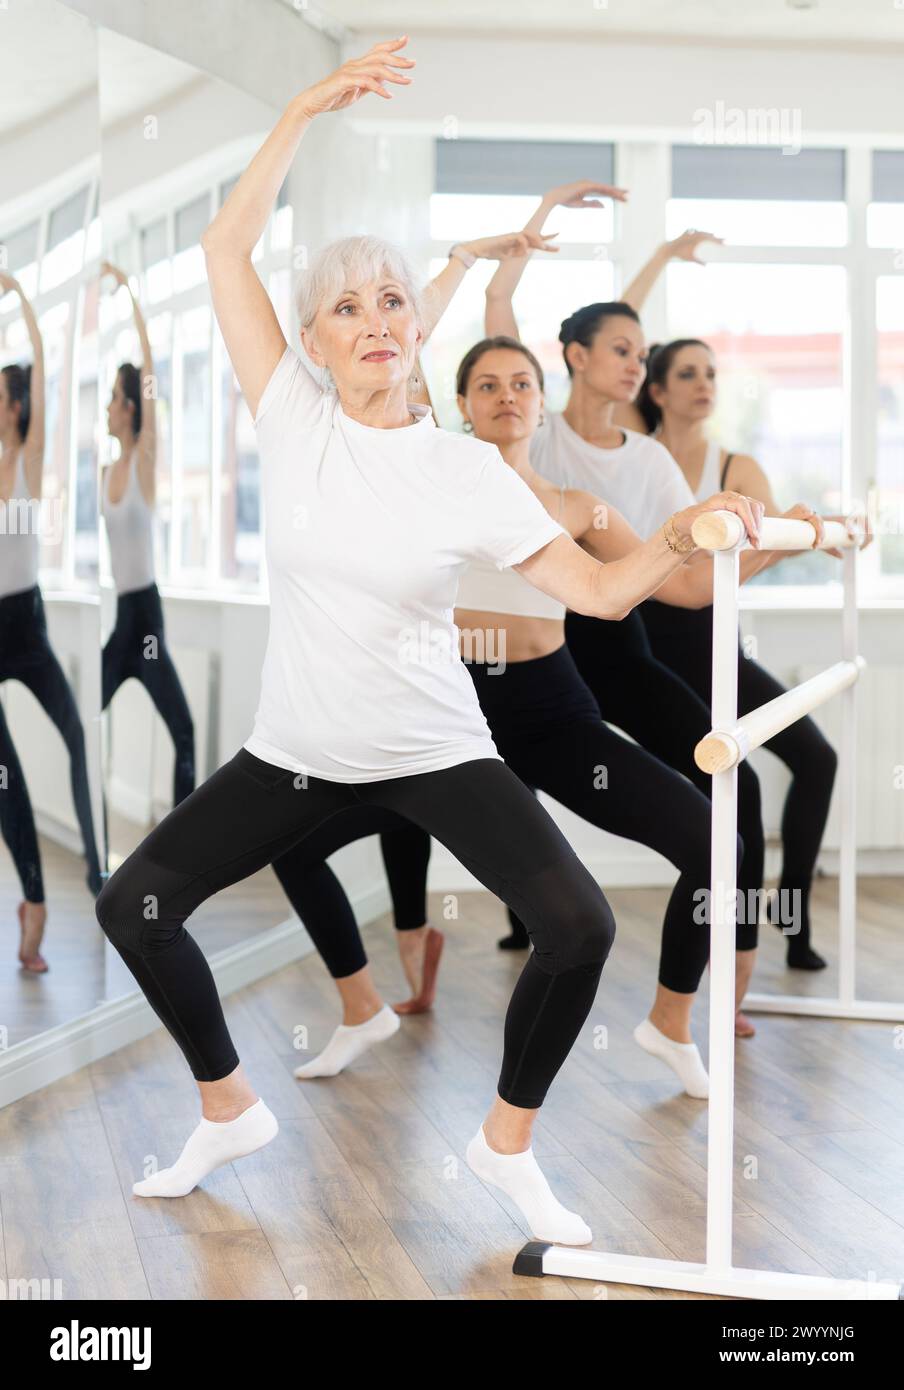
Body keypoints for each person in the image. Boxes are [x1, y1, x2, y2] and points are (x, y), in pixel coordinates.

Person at [94, 39, 762, 1245]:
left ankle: (504, 1142)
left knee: (578, 923)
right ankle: (227, 1103)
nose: (373, 321)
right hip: (297, 748)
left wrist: (681, 539)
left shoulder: (464, 467)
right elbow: (221, 250)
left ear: (414, 325)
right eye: (343, 308)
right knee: (135, 904)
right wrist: (300, 107)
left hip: (432, 746)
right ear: (312, 340)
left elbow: (602, 595)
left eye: (391, 299)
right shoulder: (291, 417)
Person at [481, 186, 818, 1031]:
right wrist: (540, 230)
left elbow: (695, 578)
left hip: (620, 646)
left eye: (642, 353)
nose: (636, 363)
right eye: (622, 353)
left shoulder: (652, 463)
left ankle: (714, 995)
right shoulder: (541, 430)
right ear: (573, 359)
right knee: (506, 807)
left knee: (723, 779)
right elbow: (508, 320)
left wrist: (788, 538)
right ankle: (508, 923)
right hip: (551, 653)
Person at [629, 334, 853, 967]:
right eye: (688, 374)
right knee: (739, 786)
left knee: (817, 759)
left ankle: (796, 919)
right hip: (648, 650)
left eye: (711, 374)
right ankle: (736, 949)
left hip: (712, 645)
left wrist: (811, 529)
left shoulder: (734, 468)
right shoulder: (634, 458)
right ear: (657, 389)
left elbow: (774, 532)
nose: (704, 385)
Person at [0, 272, 103, 972]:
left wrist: (19, 297)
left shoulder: (29, 461)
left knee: (77, 736)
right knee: (7, 781)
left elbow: (52, 371)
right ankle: (33, 904)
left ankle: (99, 875)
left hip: (27, 625)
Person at [100, 262, 195, 819]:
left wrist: (132, 294)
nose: (108, 406)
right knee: (84, 713)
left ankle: (179, 849)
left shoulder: (143, 459)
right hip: (123, 619)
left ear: (131, 406)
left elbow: (152, 373)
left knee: (183, 730)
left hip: (148, 621)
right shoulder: (108, 469)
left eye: (113, 396)